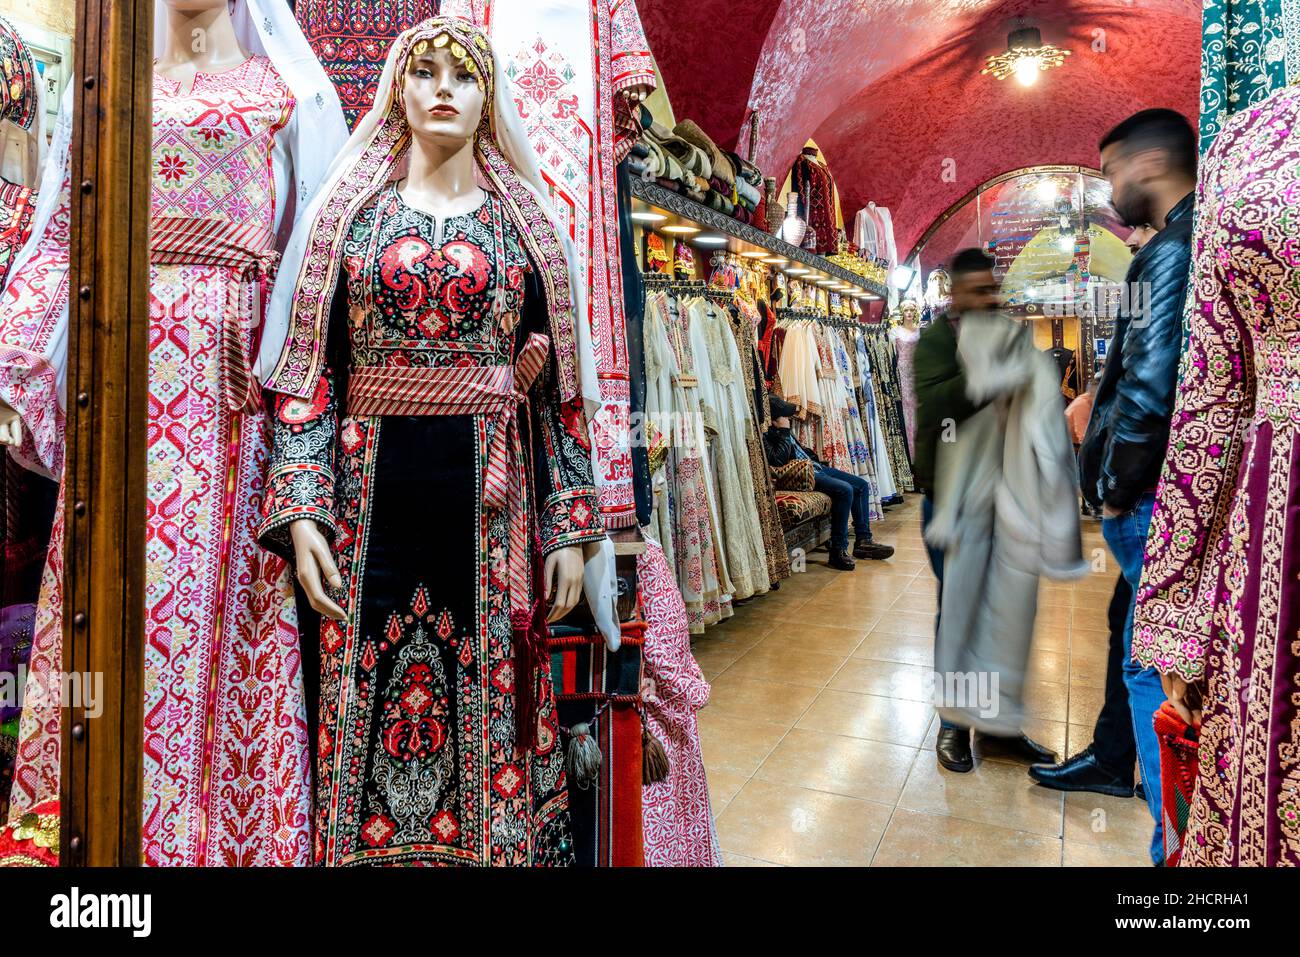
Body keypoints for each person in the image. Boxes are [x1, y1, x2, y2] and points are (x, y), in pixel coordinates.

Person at [1077, 107, 1197, 866]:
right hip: (1159, 495)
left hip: (1145, 500)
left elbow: (1149, 387)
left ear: (1149, 163)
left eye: (1114, 168)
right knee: (1147, 657)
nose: (1110, 186)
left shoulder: (1165, 257)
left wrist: (1115, 490)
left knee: (1154, 669)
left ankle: (1173, 849)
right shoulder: (1181, 245)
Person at [913, 248, 1049, 773]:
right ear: (956, 295)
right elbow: (941, 402)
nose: (991, 300)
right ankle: (954, 727)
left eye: (994, 290)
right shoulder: (935, 343)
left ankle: (998, 727)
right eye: (980, 292)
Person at [763, 394, 895, 570]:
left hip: (815, 467)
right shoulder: (768, 435)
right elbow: (778, 460)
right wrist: (783, 432)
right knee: (845, 490)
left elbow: (802, 451)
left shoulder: (783, 429)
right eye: (783, 415)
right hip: (801, 476)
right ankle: (838, 551)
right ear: (773, 419)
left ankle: (864, 541)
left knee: (861, 485)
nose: (787, 418)